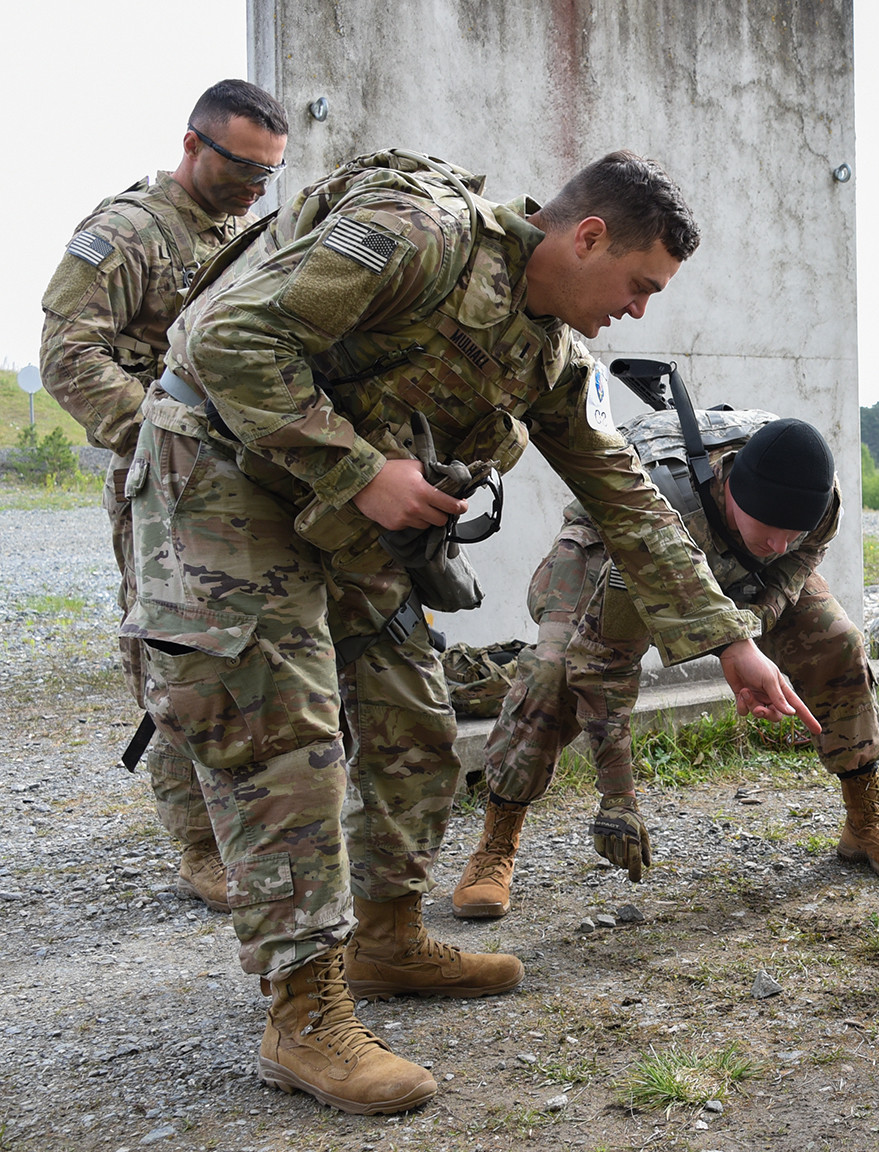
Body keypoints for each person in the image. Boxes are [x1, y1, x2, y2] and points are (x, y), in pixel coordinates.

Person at [127, 148, 812, 1114]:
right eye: (639, 285)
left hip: (346, 505)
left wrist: (730, 641)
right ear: (587, 237)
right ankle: (303, 1013)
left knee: (412, 717)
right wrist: (362, 468)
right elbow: (224, 341)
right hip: (223, 473)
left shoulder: (549, 354)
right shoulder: (423, 235)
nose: (641, 312)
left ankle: (387, 938)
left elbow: (628, 501)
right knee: (285, 731)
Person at [450, 412, 879, 920]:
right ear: (733, 495)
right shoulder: (651, 503)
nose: (782, 544)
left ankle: (865, 820)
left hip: (735, 568)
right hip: (622, 535)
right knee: (552, 670)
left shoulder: (818, 499)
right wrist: (618, 800)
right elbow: (601, 661)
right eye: (772, 530)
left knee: (838, 641)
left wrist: (746, 625)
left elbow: (796, 560)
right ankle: (496, 845)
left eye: (795, 530)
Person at [38, 80, 290, 913]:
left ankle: (254, 819)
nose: (257, 187)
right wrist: (155, 436)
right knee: (175, 655)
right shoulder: (126, 233)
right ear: (193, 145)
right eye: (243, 168)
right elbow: (69, 355)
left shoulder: (240, 232)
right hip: (161, 480)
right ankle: (197, 846)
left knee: (250, 647)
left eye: (269, 174)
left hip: (239, 476)